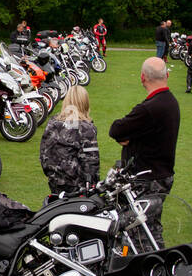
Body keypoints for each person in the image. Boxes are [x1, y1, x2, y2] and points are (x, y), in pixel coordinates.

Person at [109, 58, 179, 247]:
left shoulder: (149, 108)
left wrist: (129, 138)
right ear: (167, 75)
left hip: (146, 179)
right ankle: (156, 265)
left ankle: (150, 269)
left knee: (139, 232)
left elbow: (116, 129)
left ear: (143, 78)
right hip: (161, 174)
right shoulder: (170, 102)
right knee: (151, 227)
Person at [39, 85, 100, 199]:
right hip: (77, 188)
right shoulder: (86, 128)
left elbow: (44, 155)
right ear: (85, 103)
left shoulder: (52, 123)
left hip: (55, 182)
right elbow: (91, 165)